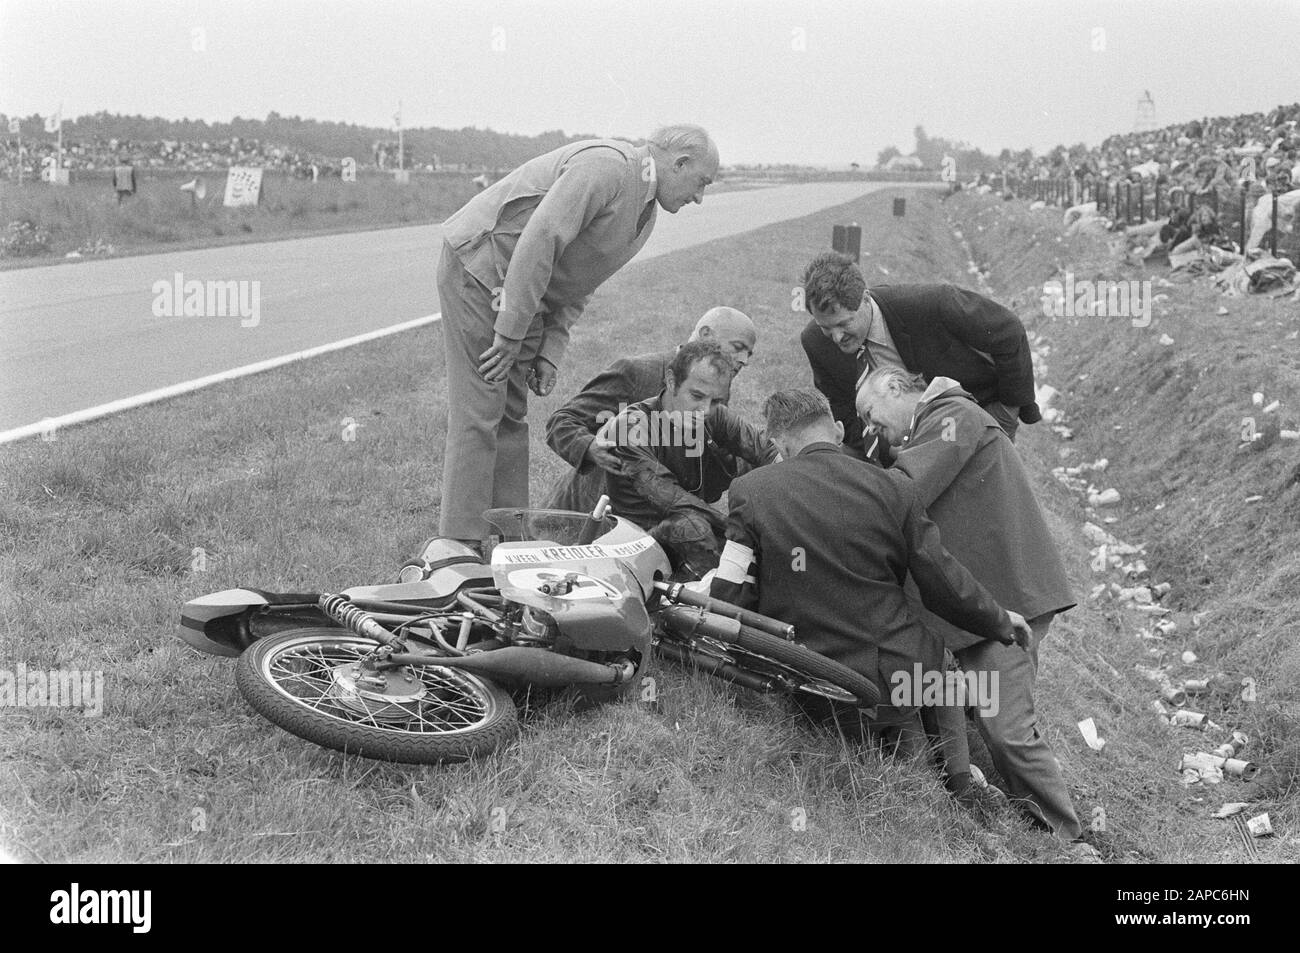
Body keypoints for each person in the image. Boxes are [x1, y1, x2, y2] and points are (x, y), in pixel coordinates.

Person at [436, 125, 720, 552]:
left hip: (519, 290)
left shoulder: (646, 214)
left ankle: (509, 538)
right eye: (700, 183)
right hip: (481, 271)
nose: (698, 197)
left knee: (511, 417)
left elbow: (580, 277)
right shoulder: (607, 168)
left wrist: (550, 350)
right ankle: (459, 544)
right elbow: (540, 239)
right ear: (679, 164)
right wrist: (511, 333)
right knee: (480, 411)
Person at [709, 388, 1032, 758]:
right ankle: (958, 777)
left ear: (777, 443)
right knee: (934, 662)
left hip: (811, 688)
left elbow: (731, 592)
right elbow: (943, 582)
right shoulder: (896, 488)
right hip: (902, 681)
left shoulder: (751, 490)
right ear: (839, 431)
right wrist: (999, 620)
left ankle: (914, 752)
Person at [857, 366, 1082, 842]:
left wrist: (840, 487)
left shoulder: (949, 416)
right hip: (996, 598)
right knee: (984, 713)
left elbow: (904, 491)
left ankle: (1068, 838)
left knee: (1006, 728)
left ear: (895, 388)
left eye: (870, 414)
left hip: (1007, 602)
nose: (868, 429)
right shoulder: (945, 418)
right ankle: (1033, 822)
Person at [798, 252, 1039, 460]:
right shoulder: (816, 344)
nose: (837, 337)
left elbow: (1008, 332)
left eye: (844, 324)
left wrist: (1006, 415)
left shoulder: (932, 305)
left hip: (975, 417)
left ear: (865, 299)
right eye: (826, 328)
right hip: (903, 446)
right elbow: (843, 414)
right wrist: (894, 452)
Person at [541, 307, 757, 513]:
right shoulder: (636, 372)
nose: (744, 361)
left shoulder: (714, 400)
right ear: (705, 334)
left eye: (749, 354)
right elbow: (562, 421)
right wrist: (589, 447)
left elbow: (702, 487)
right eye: (738, 348)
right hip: (586, 518)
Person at [602, 341, 776, 577]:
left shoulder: (715, 416)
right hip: (634, 541)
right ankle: (711, 598)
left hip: (695, 526)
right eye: (696, 396)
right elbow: (669, 497)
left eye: (716, 401)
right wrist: (734, 528)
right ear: (672, 381)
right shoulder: (631, 426)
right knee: (693, 528)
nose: (705, 410)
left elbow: (766, 450)